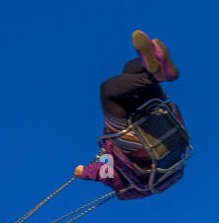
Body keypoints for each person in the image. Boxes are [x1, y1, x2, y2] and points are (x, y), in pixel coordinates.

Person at [75, 31, 182, 200]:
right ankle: (155, 74)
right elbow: (105, 173)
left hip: (169, 129)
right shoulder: (125, 187)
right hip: (143, 147)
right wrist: (83, 172)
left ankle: (156, 71)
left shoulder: (166, 172)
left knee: (129, 73)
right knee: (108, 93)